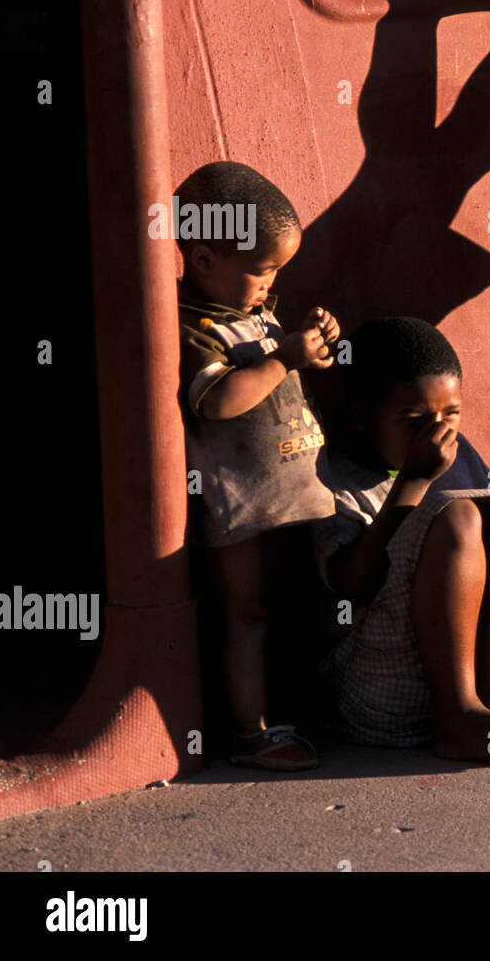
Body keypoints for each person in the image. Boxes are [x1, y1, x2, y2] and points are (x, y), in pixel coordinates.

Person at [314, 317, 490, 764]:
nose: (438, 432)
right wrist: (413, 481)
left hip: (459, 666)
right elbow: (350, 588)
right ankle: (456, 716)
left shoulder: (460, 452)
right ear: (361, 417)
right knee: (457, 516)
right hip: (378, 691)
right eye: (413, 420)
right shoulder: (335, 474)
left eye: (452, 414)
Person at [176, 161, 340, 769]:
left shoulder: (253, 310)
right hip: (239, 506)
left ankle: (304, 710)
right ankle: (250, 730)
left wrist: (309, 346)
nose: (271, 285)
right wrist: (286, 358)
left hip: (297, 493)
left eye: (278, 271)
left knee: (295, 607)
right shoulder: (195, 326)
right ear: (203, 259)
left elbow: (280, 371)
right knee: (246, 613)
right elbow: (219, 400)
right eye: (262, 269)